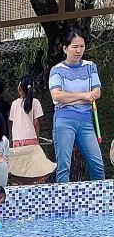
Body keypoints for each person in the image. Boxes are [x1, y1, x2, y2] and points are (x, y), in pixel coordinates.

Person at [49, 27, 104, 183]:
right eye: (74, 46)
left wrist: (71, 98)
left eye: (82, 46)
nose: (79, 50)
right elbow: (57, 96)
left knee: (98, 165)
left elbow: (96, 93)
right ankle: (63, 204)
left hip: (86, 121)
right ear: (65, 48)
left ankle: (98, 202)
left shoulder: (90, 66)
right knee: (64, 167)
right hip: (64, 121)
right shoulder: (56, 70)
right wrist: (83, 96)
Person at [9, 76, 44, 147]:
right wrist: (37, 137)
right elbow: (36, 122)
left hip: (17, 139)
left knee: (20, 158)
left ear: (19, 88)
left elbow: (13, 122)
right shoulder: (35, 102)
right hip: (31, 137)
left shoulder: (14, 103)